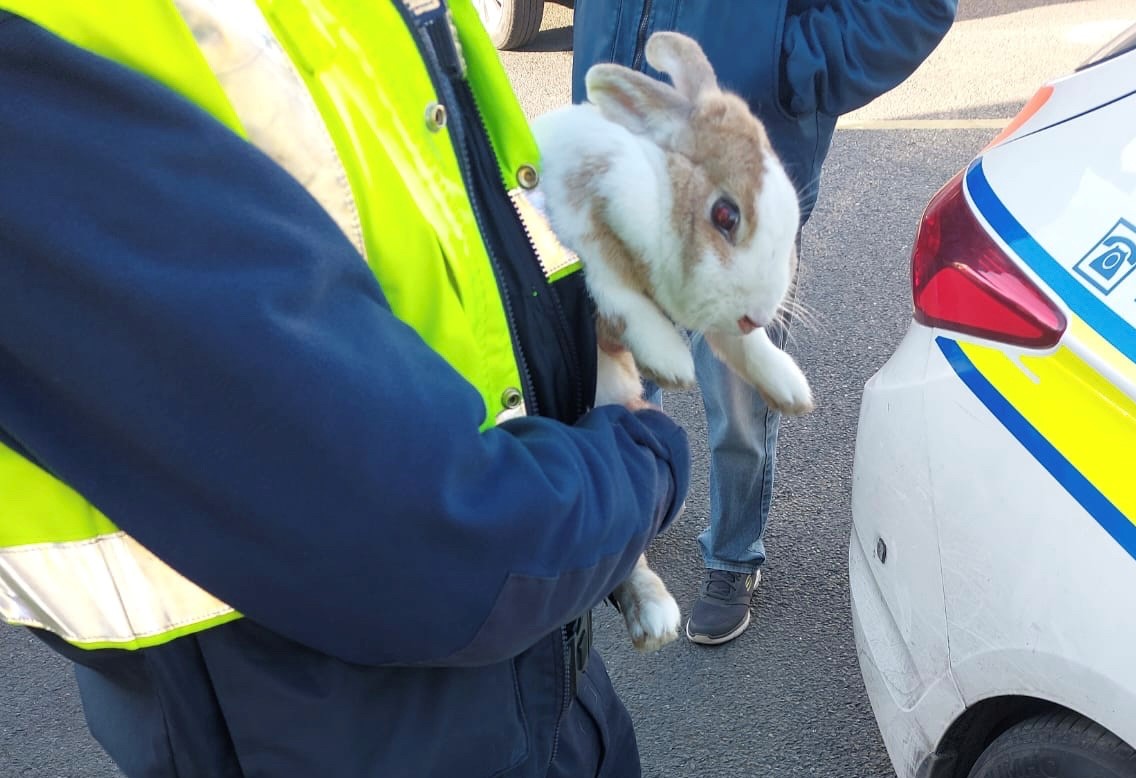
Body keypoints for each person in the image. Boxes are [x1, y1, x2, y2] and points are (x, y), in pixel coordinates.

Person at [0, 2, 690, 777]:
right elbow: (430, 542)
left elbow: (464, 241)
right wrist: (647, 458)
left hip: (533, 682)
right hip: (320, 720)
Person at [572, 0, 957, 645]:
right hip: (626, 167)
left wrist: (784, 67)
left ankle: (731, 556)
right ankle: (641, 509)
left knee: (737, 399)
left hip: (738, 187)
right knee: (627, 367)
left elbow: (913, 9)